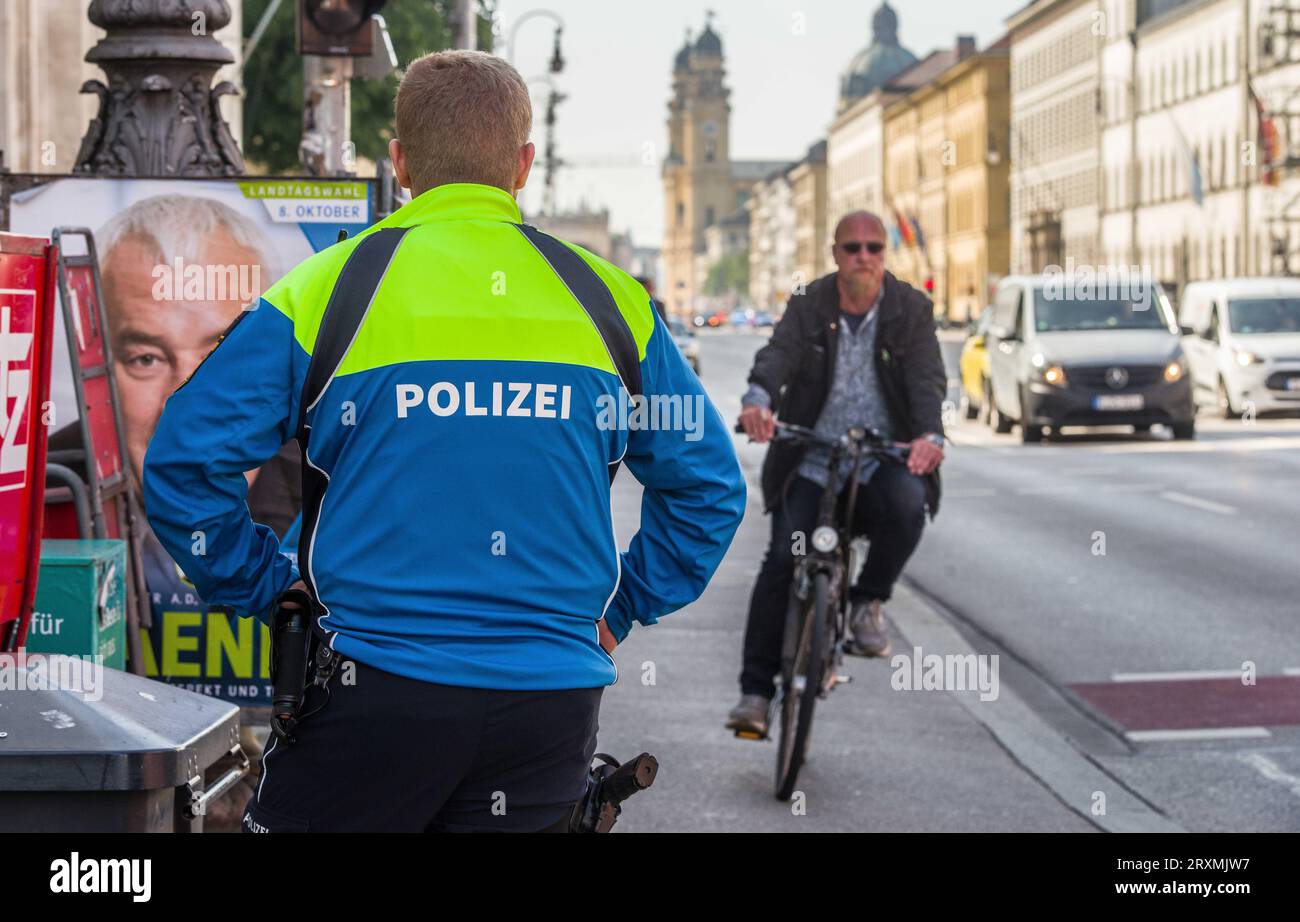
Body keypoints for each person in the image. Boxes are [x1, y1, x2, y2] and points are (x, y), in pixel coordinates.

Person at [143, 49, 746, 832]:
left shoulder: (325, 293)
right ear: (523, 166)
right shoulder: (612, 305)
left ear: (399, 162)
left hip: (371, 693)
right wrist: (621, 607)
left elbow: (184, 466)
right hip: (550, 706)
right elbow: (708, 490)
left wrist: (265, 586)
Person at [726, 211, 946, 737]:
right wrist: (759, 400)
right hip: (812, 458)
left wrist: (928, 434)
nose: (864, 257)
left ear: (884, 254)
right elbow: (776, 357)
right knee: (784, 557)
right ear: (835, 253)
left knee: (907, 506)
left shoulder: (909, 308)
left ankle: (868, 600)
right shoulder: (811, 303)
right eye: (853, 248)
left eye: (874, 248)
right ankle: (756, 694)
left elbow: (926, 377)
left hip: (880, 459)